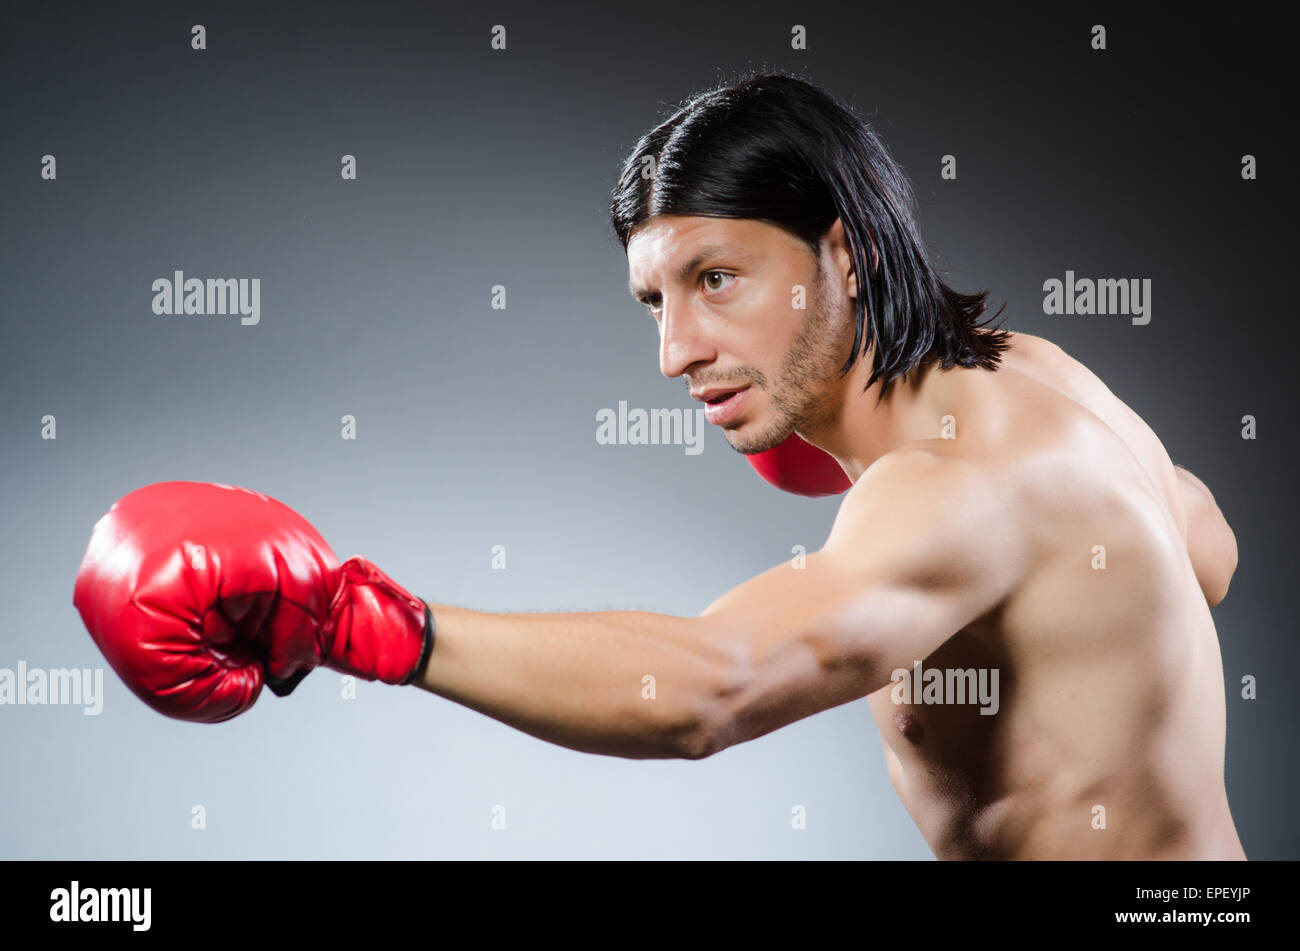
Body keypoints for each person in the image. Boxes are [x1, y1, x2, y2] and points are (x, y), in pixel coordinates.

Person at [73, 73, 1243, 860]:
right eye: (652, 301)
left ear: (842, 249)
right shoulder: (1038, 376)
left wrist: (360, 625)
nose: (676, 351)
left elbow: (707, 690)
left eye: (716, 280)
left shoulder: (948, 482)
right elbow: (1205, 546)